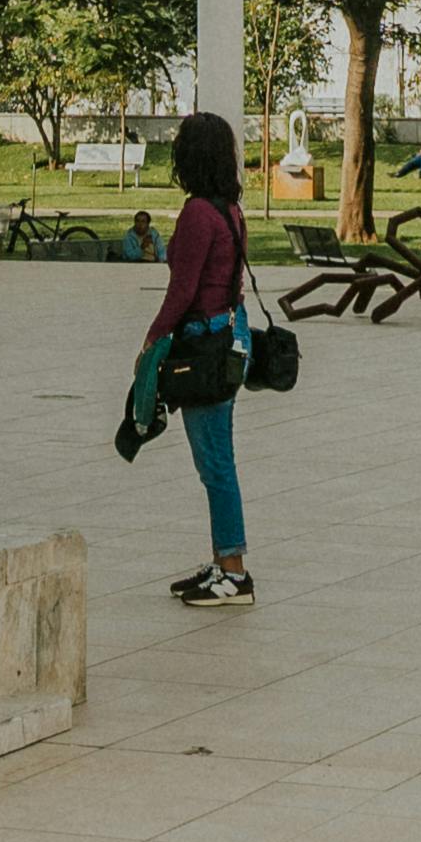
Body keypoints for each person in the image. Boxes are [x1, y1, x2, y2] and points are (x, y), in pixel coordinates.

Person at [107, 112, 256, 607]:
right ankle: (222, 561)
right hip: (229, 336)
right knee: (218, 458)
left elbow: (182, 289)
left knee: (215, 462)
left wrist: (151, 342)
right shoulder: (230, 210)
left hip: (203, 346)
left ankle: (233, 571)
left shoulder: (196, 214)